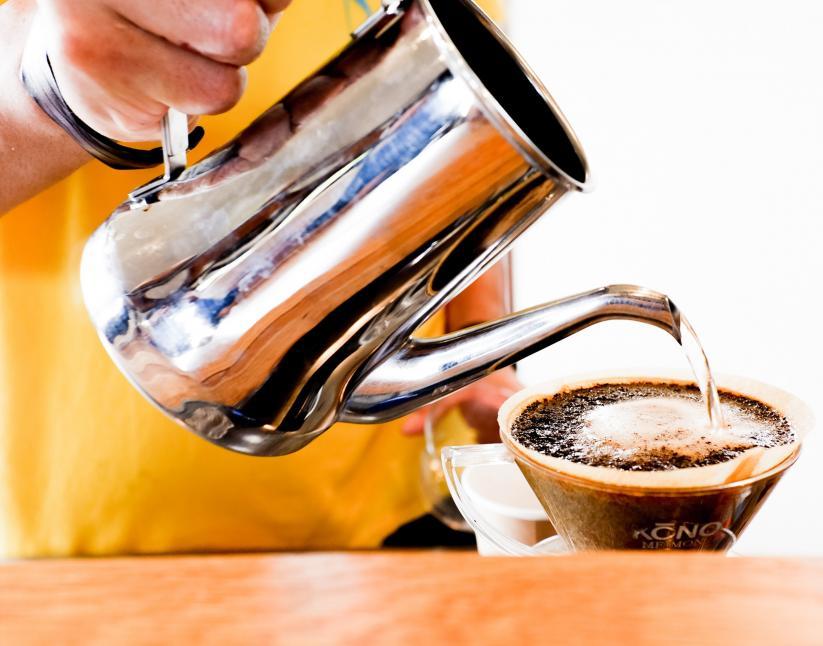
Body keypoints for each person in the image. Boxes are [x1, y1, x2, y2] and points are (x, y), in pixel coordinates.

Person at [0, 0, 518, 557]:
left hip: (386, 533)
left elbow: (463, 150)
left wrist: (480, 339)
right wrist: (46, 95)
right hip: (64, 552)